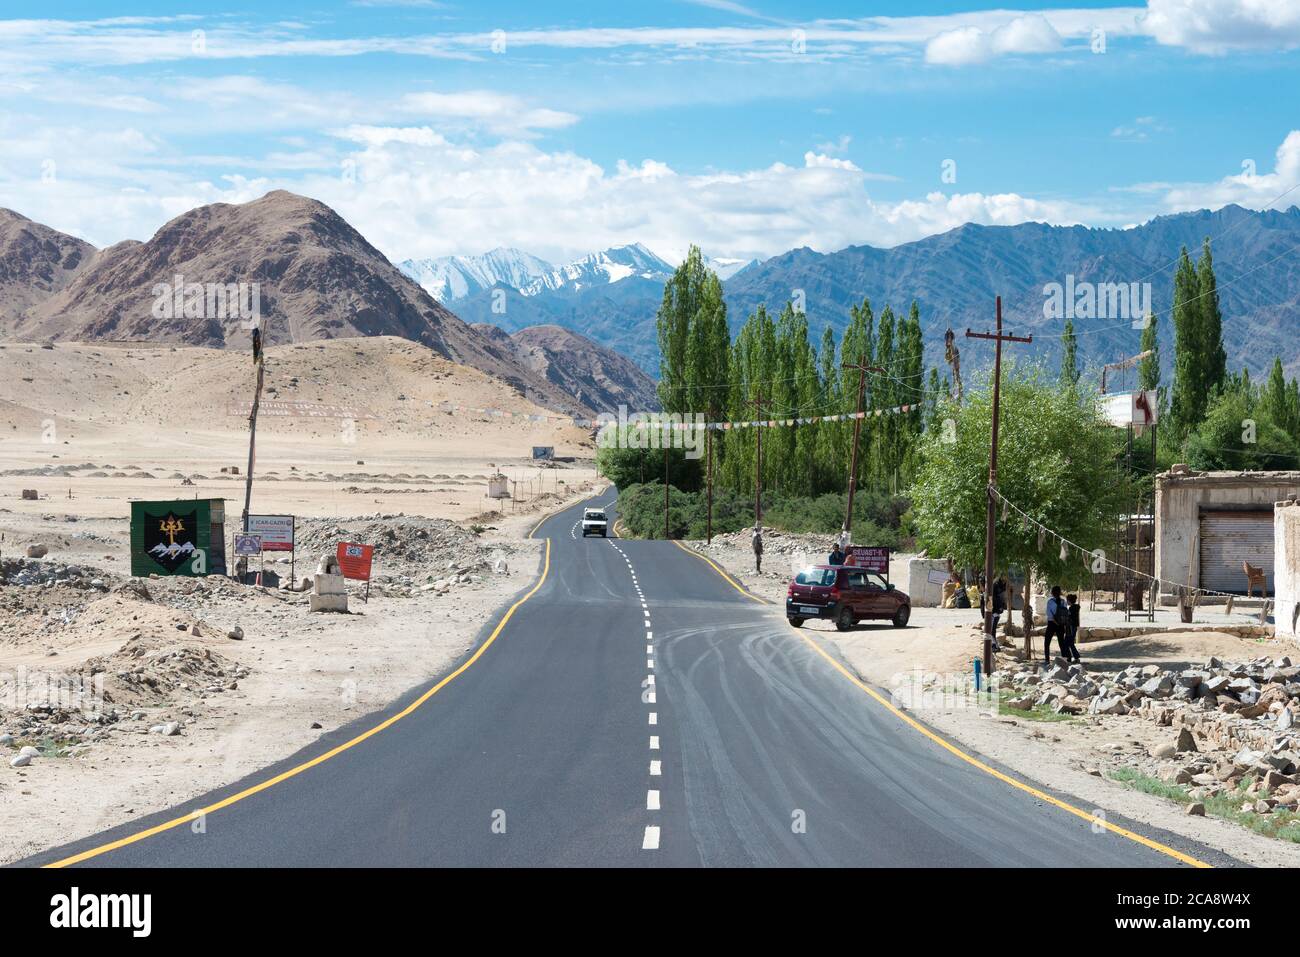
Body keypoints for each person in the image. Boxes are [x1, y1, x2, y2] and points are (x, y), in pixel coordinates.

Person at [1044, 585, 1067, 665]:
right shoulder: (1063, 601)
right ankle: (1064, 660)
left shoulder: (1050, 602)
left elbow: (1049, 614)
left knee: (1047, 642)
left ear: (1052, 593)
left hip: (1051, 624)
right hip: (1061, 625)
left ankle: (1047, 660)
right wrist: (1060, 623)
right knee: (1062, 643)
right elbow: (1065, 613)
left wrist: (1055, 621)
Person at [1061, 593, 1082, 663]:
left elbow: (1069, 618)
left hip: (1070, 627)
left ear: (1069, 601)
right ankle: (1074, 657)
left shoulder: (1071, 608)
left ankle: (1070, 658)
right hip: (1073, 627)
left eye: (1067, 600)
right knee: (1070, 643)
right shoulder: (1075, 608)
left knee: (1067, 643)